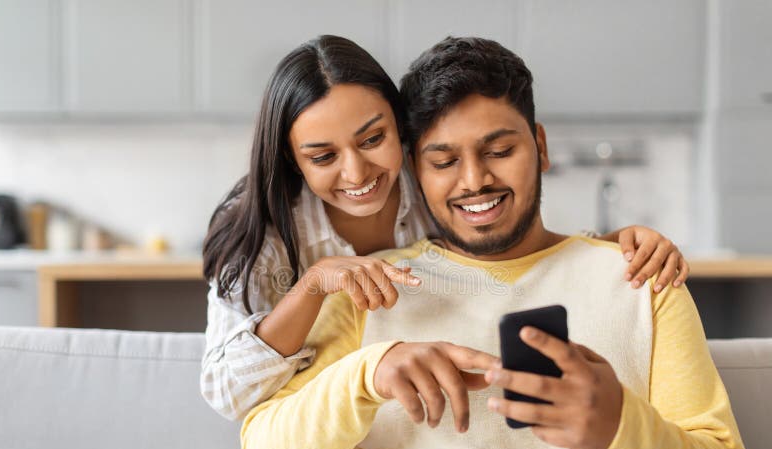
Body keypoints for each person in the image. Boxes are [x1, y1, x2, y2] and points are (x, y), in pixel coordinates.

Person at [240, 37, 749, 449]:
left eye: (499, 150)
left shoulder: (643, 279)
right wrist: (367, 375)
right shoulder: (368, 288)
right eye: (443, 162)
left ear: (541, 147)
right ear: (416, 172)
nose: (474, 180)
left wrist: (620, 427)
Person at [200, 35, 690, 422]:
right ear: (292, 157)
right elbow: (225, 391)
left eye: (373, 139)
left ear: (402, 131)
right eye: (323, 156)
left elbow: (518, 247)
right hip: (333, 410)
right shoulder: (263, 229)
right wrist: (312, 285)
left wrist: (610, 246)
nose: (356, 174)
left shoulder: (433, 182)